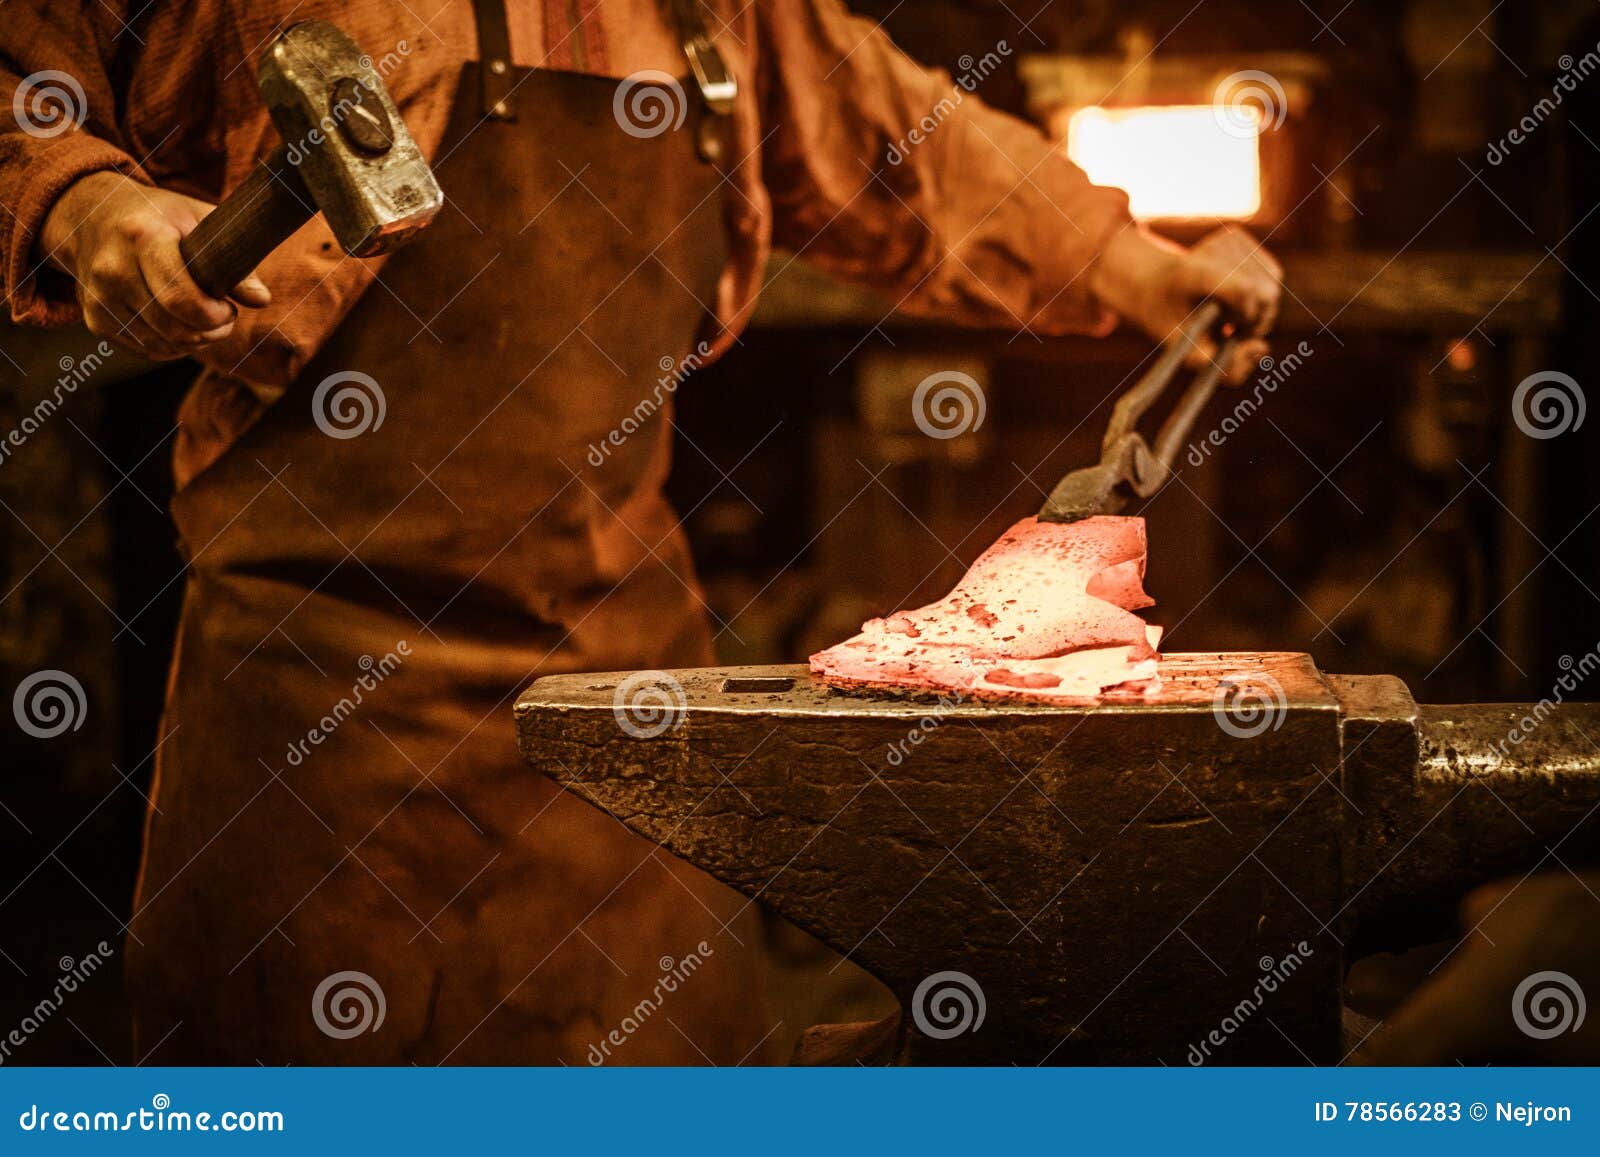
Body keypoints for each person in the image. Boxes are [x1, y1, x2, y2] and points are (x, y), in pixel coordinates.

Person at [1, 0, 1282, 1063]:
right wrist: (85, 207)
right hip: (321, 706)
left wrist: (1130, 266)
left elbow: (897, 134)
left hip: (620, 689)